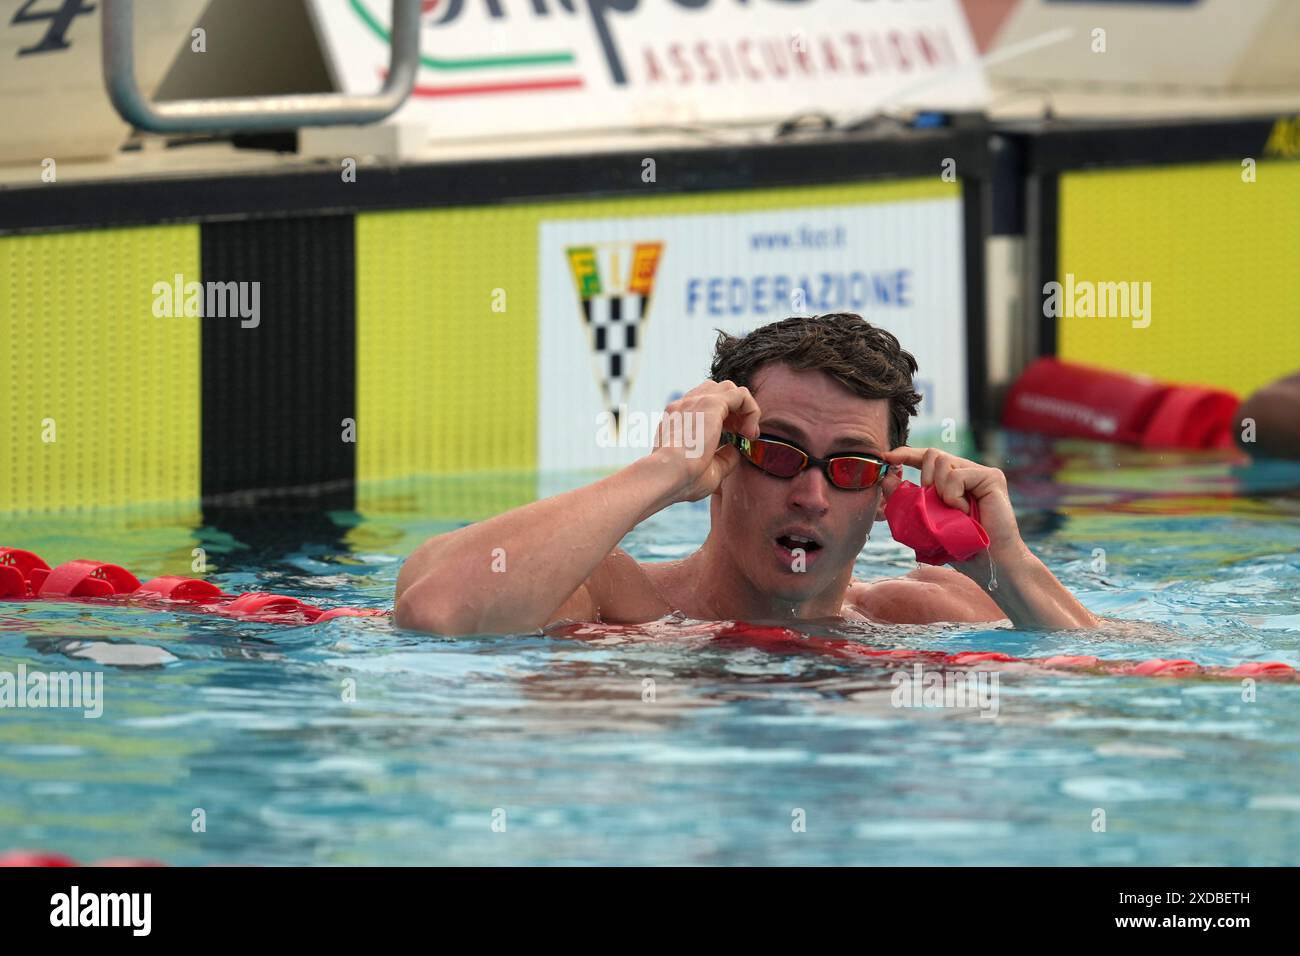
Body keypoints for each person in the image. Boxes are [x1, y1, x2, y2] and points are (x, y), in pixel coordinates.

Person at [395, 313, 1097, 635]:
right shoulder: (615, 602)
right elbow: (435, 611)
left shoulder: (929, 610)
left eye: (849, 466)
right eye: (782, 453)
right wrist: (663, 471)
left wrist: (1006, 561)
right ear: (724, 458)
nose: (811, 496)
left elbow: (1106, 689)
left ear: (888, 494)